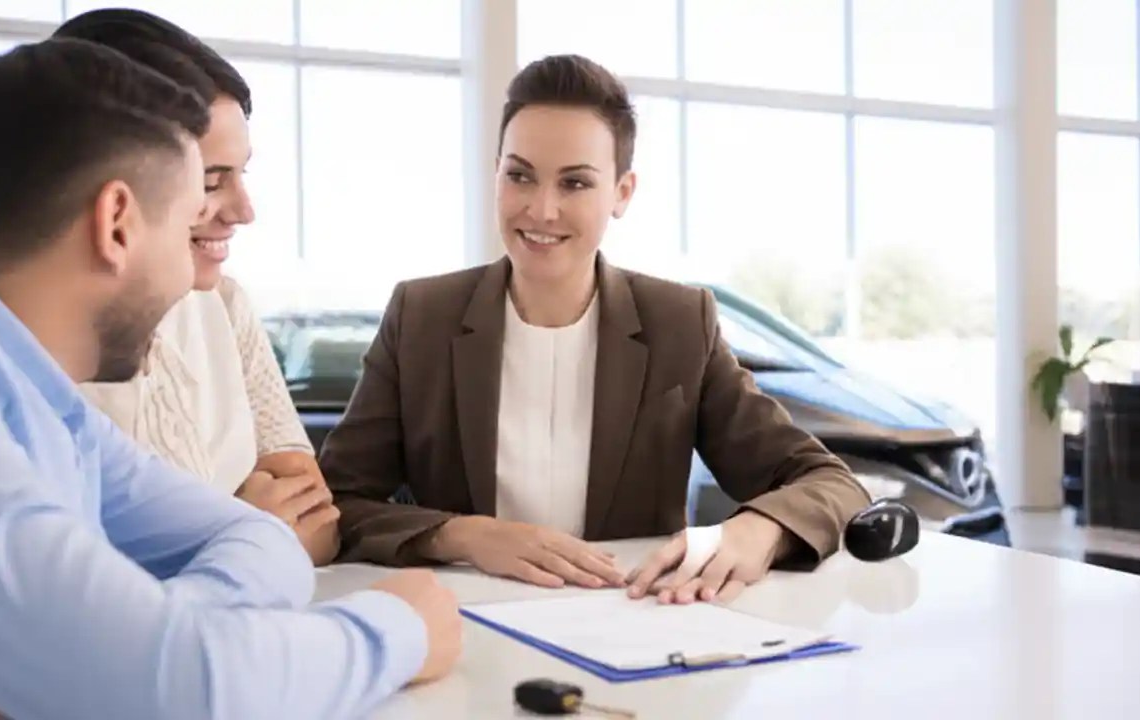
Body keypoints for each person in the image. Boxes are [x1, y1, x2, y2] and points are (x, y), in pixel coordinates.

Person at [0, 39, 459, 720]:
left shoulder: (34, 388)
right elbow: (179, 688)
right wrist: (399, 631)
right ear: (117, 223)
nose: (192, 264)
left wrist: (142, 643)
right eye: (187, 212)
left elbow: (259, 545)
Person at [324, 54, 870, 605]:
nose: (542, 209)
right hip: (464, 625)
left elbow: (830, 483)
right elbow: (338, 504)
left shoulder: (678, 323)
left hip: (630, 625)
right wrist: (464, 535)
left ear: (622, 193)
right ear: (495, 176)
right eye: (520, 176)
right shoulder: (422, 315)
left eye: (576, 184)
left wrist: (756, 528)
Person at [52, 9, 340, 566]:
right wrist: (244, 525)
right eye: (210, 181)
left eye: (242, 174)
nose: (243, 211)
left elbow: (318, 529)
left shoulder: (224, 305)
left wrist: (233, 535)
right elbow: (82, 587)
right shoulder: (47, 341)